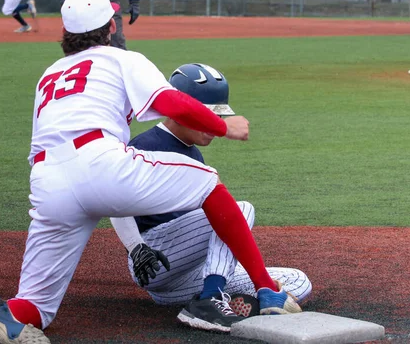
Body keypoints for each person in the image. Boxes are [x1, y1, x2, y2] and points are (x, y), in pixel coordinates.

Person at [0, 0, 301, 344]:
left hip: (47, 181)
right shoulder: (120, 59)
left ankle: (11, 314)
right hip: (100, 161)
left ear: (67, 33)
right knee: (209, 184)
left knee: (36, 305)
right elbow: (171, 103)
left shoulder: (49, 75)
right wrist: (224, 126)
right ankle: (267, 291)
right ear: (111, 27)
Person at [110, 63, 312, 333]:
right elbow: (112, 200)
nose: (212, 126)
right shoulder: (145, 146)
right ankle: (213, 296)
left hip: (177, 282)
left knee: (298, 281)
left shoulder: (192, 152)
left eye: (217, 117)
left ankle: (217, 298)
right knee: (239, 210)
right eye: (204, 116)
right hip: (153, 259)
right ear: (177, 110)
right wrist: (135, 247)